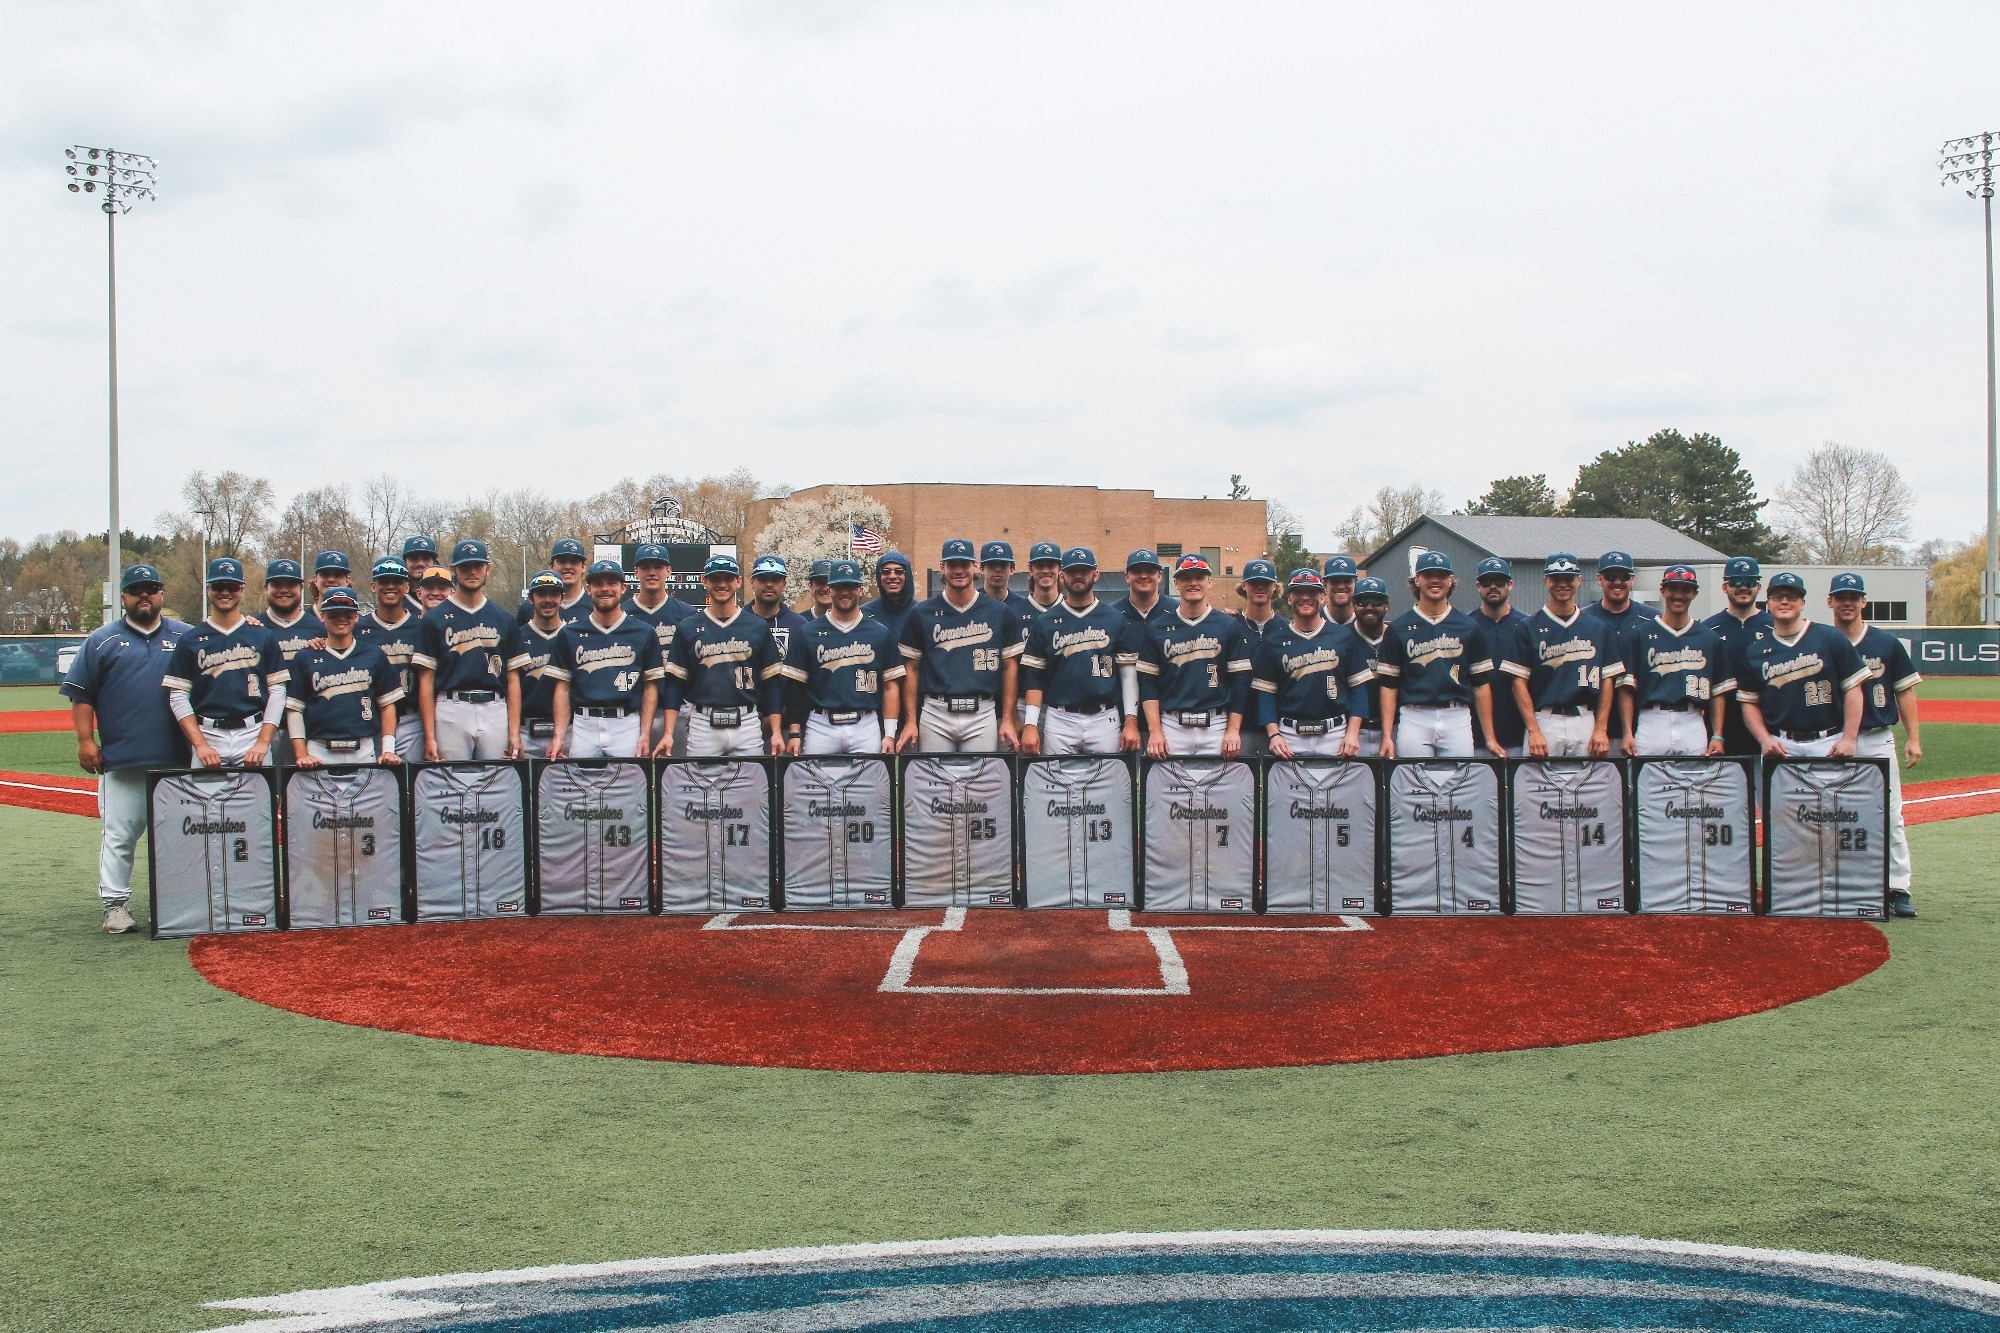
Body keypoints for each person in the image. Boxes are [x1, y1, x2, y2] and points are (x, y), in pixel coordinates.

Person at [61, 563, 190, 933]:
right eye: (136, 590)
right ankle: (115, 904)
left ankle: (179, 901)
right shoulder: (102, 640)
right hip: (124, 758)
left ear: (162, 594)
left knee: (180, 835)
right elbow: (81, 697)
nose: (144, 595)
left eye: (151, 588)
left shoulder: (186, 636)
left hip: (179, 758)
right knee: (119, 834)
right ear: (124, 597)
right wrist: (86, 741)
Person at [1828, 571, 1923, 917]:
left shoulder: (1885, 643)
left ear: (1864, 602)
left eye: (1853, 597)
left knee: (1891, 814)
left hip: (1877, 738)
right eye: (1841, 597)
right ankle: (1842, 883)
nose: (1847, 603)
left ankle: (1898, 888)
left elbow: (1904, 691)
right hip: (1833, 741)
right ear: (1830, 602)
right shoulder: (1821, 642)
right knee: (1833, 815)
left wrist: (1913, 738)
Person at [898, 538, 1024, 753]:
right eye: (952, 565)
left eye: (964, 565)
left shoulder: (999, 612)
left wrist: (1008, 719)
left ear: (975, 566)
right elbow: (911, 668)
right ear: (942, 567)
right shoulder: (922, 612)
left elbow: (1010, 667)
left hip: (982, 710)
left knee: (980, 780)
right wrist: (911, 721)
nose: (958, 570)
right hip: (936, 710)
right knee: (935, 781)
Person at [1374, 551, 1500, 759]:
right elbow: (1389, 685)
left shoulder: (1468, 626)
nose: (1435, 580)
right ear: (1417, 580)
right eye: (1428, 574)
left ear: (1450, 581)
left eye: (1441, 575)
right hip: (1414, 715)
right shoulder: (1398, 628)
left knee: (1457, 783)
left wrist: (1490, 737)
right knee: (1415, 783)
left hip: (1456, 715)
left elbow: (1480, 685)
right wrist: (1387, 735)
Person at [162, 558, 287, 767]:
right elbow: (177, 695)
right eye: (219, 586)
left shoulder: (262, 636)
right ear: (209, 589)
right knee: (206, 799)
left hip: (253, 732)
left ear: (241, 589)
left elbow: (278, 692)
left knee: (259, 799)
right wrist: (200, 745)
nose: (225, 592)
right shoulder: (191, 639)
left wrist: (263, 743)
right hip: (208, 734)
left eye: (232, 586)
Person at [658, 555, 785, 757]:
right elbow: (675, 684)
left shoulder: (757, 626)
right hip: (703, 723)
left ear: (738, 582)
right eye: (715, 579)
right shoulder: (688, 627)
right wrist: (668, 733)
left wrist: (777, 732)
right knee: (702, 785)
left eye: (727, 578)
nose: (722, 584)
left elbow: (772, 683)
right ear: (705, 581)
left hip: (747, 721)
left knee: (751, 783)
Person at [1018, 547, 1141, 756]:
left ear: (1095, 574)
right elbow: (1034, 678)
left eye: (1083, 571)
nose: (1078, 576)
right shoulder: (1045, 622)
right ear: (1062, 575)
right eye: (1072, 571)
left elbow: (1128, 675)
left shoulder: (1115, 618)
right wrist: (1030, 724)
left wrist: (1131, 720)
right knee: (1057, 783)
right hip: (1059, 718)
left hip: (1105, 717)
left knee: (1105, 781)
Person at [413, 540, 528, 762]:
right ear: (453, 570)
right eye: (465, 566)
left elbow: (513, 680)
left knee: (496, 780)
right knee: (452, 782)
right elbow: (426, 682)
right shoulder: (434, 619)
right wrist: (429, 736)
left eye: (478, 565)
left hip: (495, 706)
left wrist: (514, 733)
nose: (472, 571)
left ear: (488, 568)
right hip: (451, 707)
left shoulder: (503, 618)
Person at [1734, 571, 1867, 761]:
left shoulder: (1830, 638)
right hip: (1781, 744)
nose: (1785, 601)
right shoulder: (1755, 652)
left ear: (1802, 603)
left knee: (1832, 792)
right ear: (1769, 603)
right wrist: (1764, 740)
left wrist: (1849, 738)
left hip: (1829, 742)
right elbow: (1749, 702)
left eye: (1793, 597)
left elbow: (1853, 688)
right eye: (1778, 597)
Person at [1498, 552, 1620, 759]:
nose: (1562, 584)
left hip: (1585, 717)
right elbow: (1518, 683)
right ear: (1546, 580)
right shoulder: (1528, 627)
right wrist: (1534, 730)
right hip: (1545, 719)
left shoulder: (1598, 628)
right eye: (1556, 579)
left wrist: (1601, 728)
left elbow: (1608, 680)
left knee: (1586, 784)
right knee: (1539, 785)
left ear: (1578, 580)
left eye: (1568, 579)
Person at [779, 559, 905, 754]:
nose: (845, 592)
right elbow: (795, 687)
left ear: (860, 589)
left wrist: (889, 733)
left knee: (866, 783)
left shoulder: (880, 633)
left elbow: (890, 685)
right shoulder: (807, 632)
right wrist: (795, 732)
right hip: (821, 724)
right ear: (830, 590)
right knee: (817, 782)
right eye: (839, 587)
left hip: (866, 723)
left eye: (850, 586)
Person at [1137, 553, 1252, 757]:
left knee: (1218, 786)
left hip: (1216, 723)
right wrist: (1155, 731)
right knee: (1171, 787)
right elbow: (1147, 683)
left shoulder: (1228, 625)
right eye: (1186, 578)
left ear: (1210, 582)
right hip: (1172, 724)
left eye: (1199, 577)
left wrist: (1233, 730)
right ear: (1176, 583)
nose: (1193, 583)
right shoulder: (1158, 628)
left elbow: (1240, 681)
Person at [1249, 568, 1373, 758]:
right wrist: (1274, 734)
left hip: (1335, 733)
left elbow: (1359, 690)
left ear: (1322, 597)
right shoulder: (1273, 641)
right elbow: (1266, 695)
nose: (1305, 597)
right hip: (1290, 735)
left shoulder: (1344, 637)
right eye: (1299, 592)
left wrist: (1353, 734)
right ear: (1289, 598)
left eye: (1312, 592)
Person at [546, 560, 663, 759]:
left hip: (626, 723)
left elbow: (650, 687)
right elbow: (562, 688)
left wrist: (645, 733)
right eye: (598, 584)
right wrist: (559, 735)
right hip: (584, 723)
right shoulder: (570, 633)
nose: (605, 589)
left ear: (623, 588)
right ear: (588, 589)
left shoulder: (643, 632)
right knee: (581, 785)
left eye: (612, 583)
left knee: (628, 785)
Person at [1617, 564, 1730, 758]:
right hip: (1652, 719)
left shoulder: (1709, 638)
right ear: (1663, 590)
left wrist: (1718, 735)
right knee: (1647, 784)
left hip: (1693, 720)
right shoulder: (1640, 635)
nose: (1678, 595)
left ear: (1694, 593)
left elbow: (1717, 691)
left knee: (1693, 784)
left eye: (1685, 589)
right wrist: (1627, 732)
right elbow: (1627, 687)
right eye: (1673, 588)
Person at [285, 587, 404, 766]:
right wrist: (301, 753)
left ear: (356, 616)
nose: (341, 618)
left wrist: (388, 750)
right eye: (334, 613)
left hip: (363, 748)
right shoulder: (305, 656)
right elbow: (295, 709)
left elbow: (387, 705)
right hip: (319, 750)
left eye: (347, 613)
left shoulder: (373, 654)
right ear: (322, 616)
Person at [623, 542, 694, 754]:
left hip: (677, 708)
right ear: (636, 572)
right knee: (633, 776)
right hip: (633, 711)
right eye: (645, 567)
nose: (652, 572)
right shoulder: (622, 615)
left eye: (658, 567)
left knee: (679, 775)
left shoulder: (687, 615)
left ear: (668, 571)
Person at [1701, 556, 1775, 760]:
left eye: (1749, 582)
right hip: (1722, 724)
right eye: (1736, 582)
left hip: (1767, 720)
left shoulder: (1775, 627)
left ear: (1759, 587)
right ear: (1725, 587)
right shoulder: (1708, 629)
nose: (1743, 587)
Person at [355, 556, 425, 760]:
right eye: (384, 582)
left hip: (410, 719)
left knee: (411, 784)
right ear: (373, 586)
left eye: (396, 582)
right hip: (371, 719)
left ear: (406, 586)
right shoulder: (358, 629)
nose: (390, 587)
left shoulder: (420, 627)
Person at [1470, 556, 1530, 756]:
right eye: (1487, 582)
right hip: (1475, 734)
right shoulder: (1466, 626)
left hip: (1519, 730)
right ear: (1478, 585)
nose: (1493, 587)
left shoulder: (1527, 626)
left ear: (1510, 584)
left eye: (1500, 581)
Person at [515, 570, 567, 759]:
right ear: (531, 598)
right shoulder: (517, 636)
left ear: (562, 598)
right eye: (541, 594)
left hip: (567, 731)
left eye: (553, 594)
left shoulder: (573, 635)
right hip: (525, 730)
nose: (548, 600)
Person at [1349, 576, 1392, 755]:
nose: (1369, 607)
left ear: (1386, 605)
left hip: (1392, 728)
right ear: (1353, 605)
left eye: (1375, 600)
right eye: (1362, 601)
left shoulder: (1397, 637)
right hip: (1353, 732)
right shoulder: (1341, 639)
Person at [260, 558, 324, 666]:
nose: (284, 590)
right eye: (277, 585)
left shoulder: (320, 628)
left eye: (291, 584)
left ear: (301, 588)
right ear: (266, 588)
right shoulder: (255, 628)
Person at [747, 554, 810, 658]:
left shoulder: (800, 626)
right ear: (752, 582)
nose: (769, 584)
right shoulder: (739, 623)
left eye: (775, 579)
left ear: (784, 584)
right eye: (763, 579)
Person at [517, 538, 590, 626]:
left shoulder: (594, 605)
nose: (568, 566)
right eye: (562, 561)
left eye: (574, 562)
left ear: (583, 567)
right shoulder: (529, 607)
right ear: (552, 567)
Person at [1109, 548, 1178, 629]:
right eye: (1137, 571)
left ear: (1159, 576)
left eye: (1150, 571)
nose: (1143, 576)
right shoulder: (1112, 614)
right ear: (1127, 577)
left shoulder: (1176, 611)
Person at [861, 551, 917, 646]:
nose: (892, 576)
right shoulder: (864, 614)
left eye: (899, 571)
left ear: (906, 576)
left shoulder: (919, 613)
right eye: (886, 572)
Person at [1024, 541, 1064, 615]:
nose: (1045, 571)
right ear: (1030, 569)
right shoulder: (1015, 612)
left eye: (1051, 565)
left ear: (1059, 569)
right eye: (1039, 566)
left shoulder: (1071, 609)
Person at [1321, 554, 1358, 625]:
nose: (1341, 586)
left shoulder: (1365, 622)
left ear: (1355, 584)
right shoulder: (1315, 622)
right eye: (1335, 581)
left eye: (1347, 581)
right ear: (1325, 585)